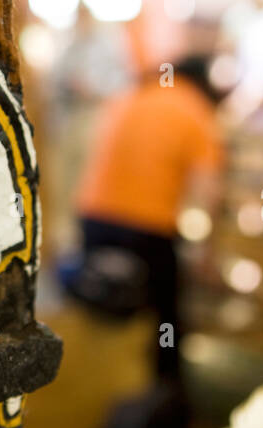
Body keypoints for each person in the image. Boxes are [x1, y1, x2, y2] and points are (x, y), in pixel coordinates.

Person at [74, 54, 225, 379]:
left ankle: (94, 384)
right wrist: (205, 253)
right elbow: (208, 192)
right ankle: (161, 390)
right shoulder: (195, 109)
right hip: (148, 229)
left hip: (93, 218)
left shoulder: (131, 97)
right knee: (166, 318)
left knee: (99, 303)